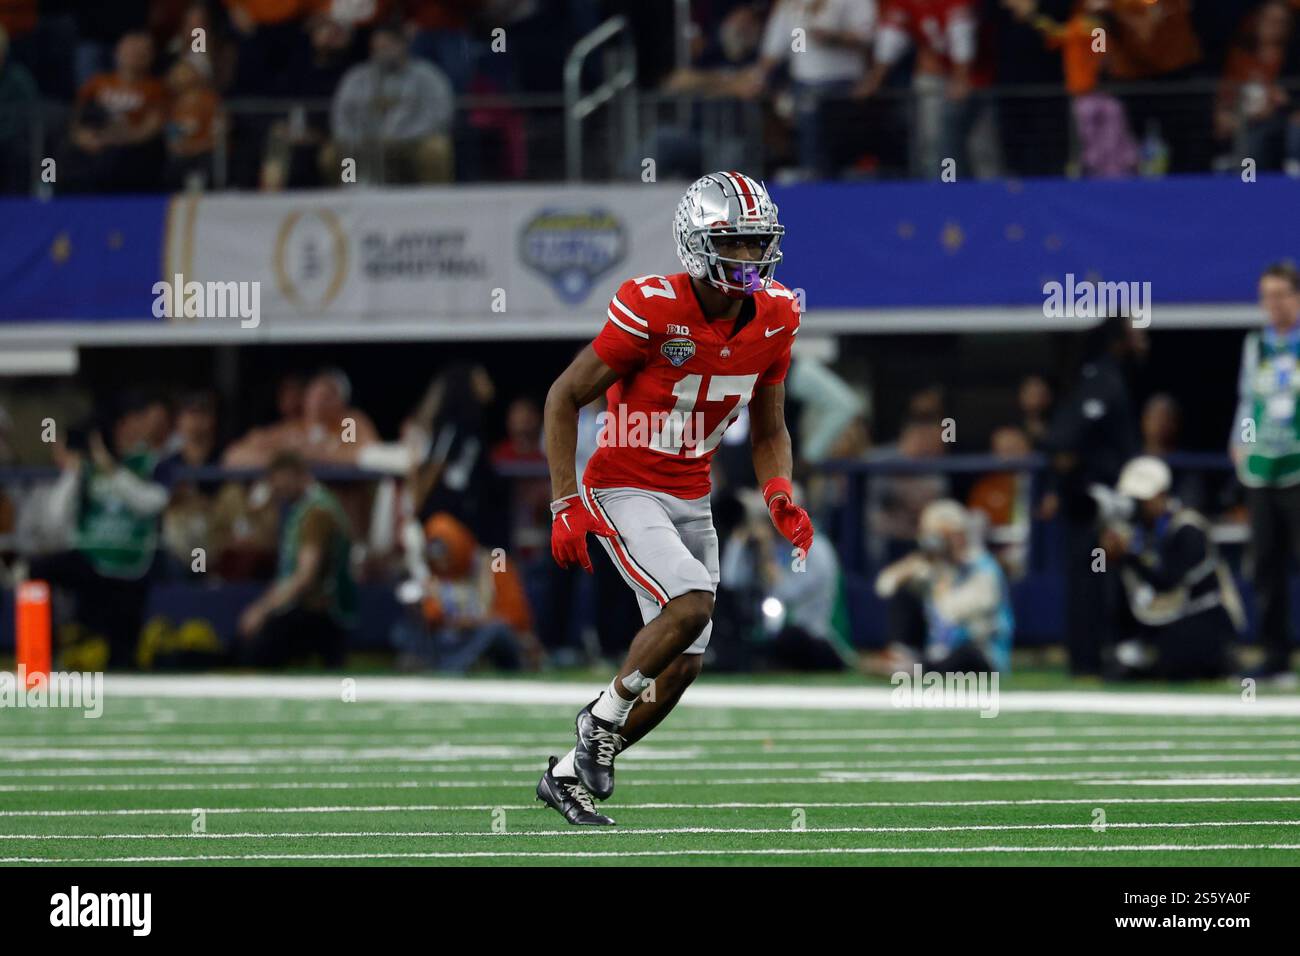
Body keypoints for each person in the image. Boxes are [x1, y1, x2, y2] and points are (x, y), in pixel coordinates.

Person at [535, 171, 813, 826]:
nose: (748, 258)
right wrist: (563, 501)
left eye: (756, 244)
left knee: (684, 662)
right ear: (696, 243)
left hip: (692, 494)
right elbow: (563, 397)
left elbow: (770, 427)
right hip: (624, 484)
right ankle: (600, 722)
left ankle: (568, 773)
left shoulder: (777, 316)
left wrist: (778, 492)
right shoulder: (653, 307)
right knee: (691, 604)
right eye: (735, 244)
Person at [30, 403, 170, 670]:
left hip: (130, 570)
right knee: (37, 571)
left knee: (121, 661)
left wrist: (112, 470)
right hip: (90, 563)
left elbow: (152, 502)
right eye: (122, 425)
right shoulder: (87, 468)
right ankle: (44, 658)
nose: (127, 431)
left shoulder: (153, 463)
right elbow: (55, 517)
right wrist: (73, 470)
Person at [1043, 314, 1143, 675]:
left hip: (1101, 498)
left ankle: (1099, 654)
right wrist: (1071, 479)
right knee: (1091, 578)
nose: (1140, 338)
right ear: (1117, 338)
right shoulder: (1101, 378)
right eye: (1133, 332)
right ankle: (1087, 659)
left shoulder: (1108, 375)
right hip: (1094, 502)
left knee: (1102, 577)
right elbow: (1062, 439)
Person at [1098, 456, 1244, 681]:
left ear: (1161, 495)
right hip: (1165, 617)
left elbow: (1169, 582)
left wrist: (1128, 557)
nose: (1139, 507)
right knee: (1116, 666)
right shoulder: (1138, 530)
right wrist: (1112, 557)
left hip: (1203, 618)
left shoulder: (1188, 527)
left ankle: (1222, 661)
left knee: (1170, 664)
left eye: (1143, 500)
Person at [1232, 262, 1300, 683]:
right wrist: (1241, 442)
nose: (1272, 304)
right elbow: (1245, 400)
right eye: (1266, 296)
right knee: (1266, 565)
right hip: (1261, 470)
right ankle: (1276, 655)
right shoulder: (1255, 345)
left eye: (1281, 295)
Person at [236, 450, 357, 668]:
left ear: (296, 475)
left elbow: (304, 576)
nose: (278, 491)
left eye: (280, 485)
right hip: (313, 610)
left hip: (320, 615)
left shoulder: (316, 513)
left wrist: (261, 610)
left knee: (254, 650)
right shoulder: (304, 508)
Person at [872, 499, 1014, 675]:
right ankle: (900, 655)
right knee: (906, 593)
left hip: (980, 653)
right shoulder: (934, 566)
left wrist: (942, 584)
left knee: (968, 655)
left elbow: (950, 612)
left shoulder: (982, 569)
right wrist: (909, 567)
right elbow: (885, 587)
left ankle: (919, 669)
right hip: (937, 652)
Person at [393, 511, 541, 672]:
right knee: (402, 631)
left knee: (496, 631)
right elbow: (432, 617)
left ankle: (452, 666)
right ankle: (446, 663)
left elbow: (514, 617)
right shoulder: (433, 573)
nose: (443, 564)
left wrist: (472, 622)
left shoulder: (496, 564)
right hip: (452, 636)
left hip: (483, 634)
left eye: (447, 557)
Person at [322, 23, 455, 185]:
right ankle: (347, 200)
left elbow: (439, 117)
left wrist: (401, 138)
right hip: (364, 145)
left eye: (386, 47)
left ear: (402, 45)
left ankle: (434, 203)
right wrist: (354, 141)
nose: (381, 53)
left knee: (436, 149)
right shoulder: (356, 77)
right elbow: (341, 116)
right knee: (332, 155)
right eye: (376, 48)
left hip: (411, 144)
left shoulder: (427, 75)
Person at [62, 31, 166, 194]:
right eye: (130, 49)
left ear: (150, 57)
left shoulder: (155, 89)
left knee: (117, 159)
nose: (134, 55)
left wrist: (115, 138)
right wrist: (80, 136)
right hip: (94, 143)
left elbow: (151, 128)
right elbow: (76, 117)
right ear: (117, 52)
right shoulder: (97, 83)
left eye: (141, 51)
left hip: (129, 149)